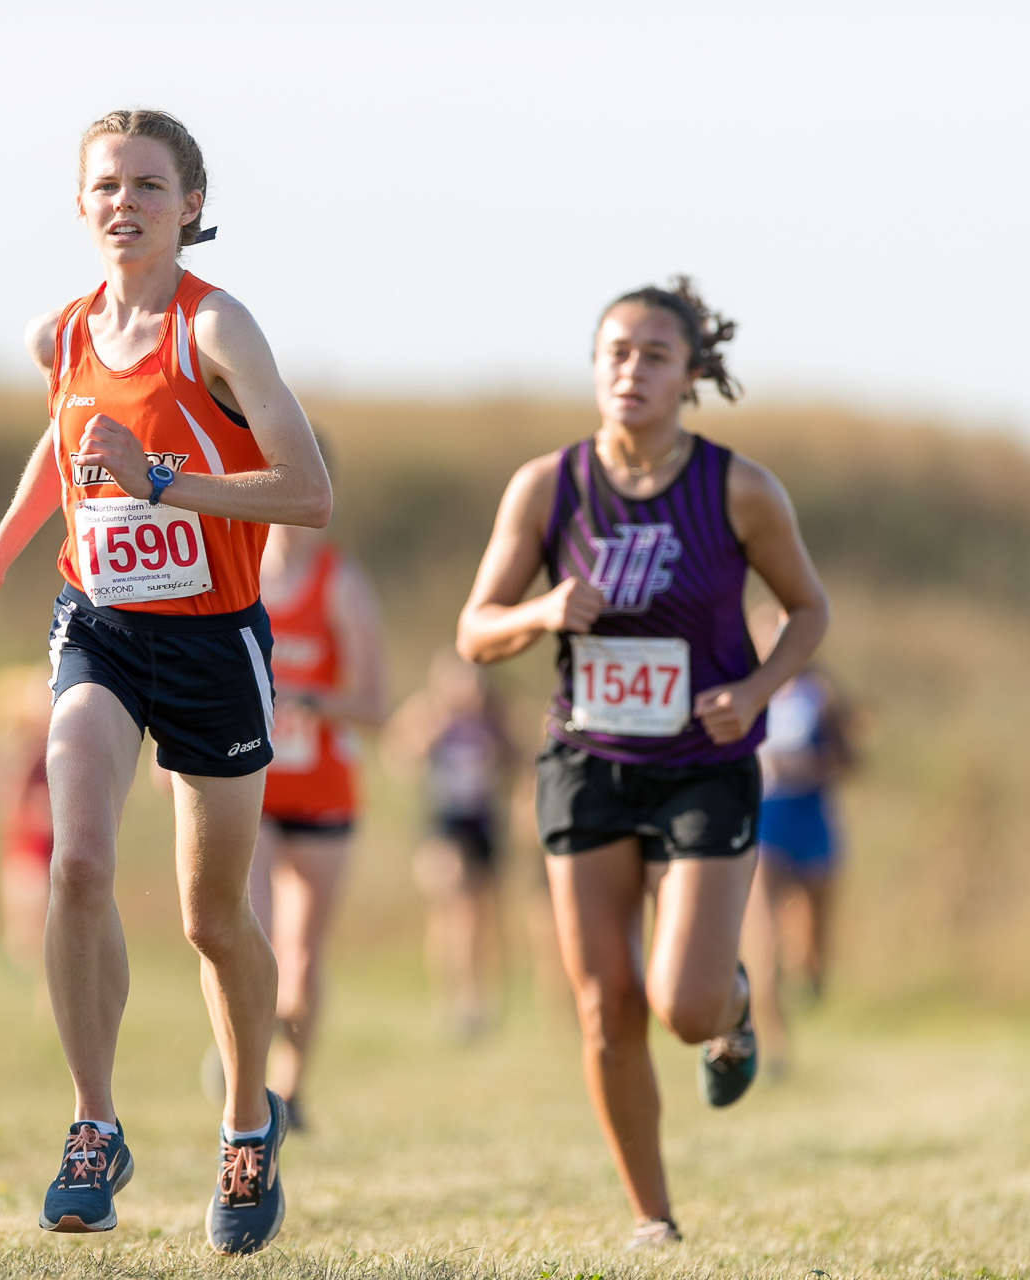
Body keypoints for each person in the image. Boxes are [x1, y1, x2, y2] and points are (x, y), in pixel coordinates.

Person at [0, 109, 330, 1255]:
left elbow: (307, 493)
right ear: (79, 205)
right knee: (80, 858)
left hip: (213, 642)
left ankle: (248, 1119)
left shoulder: (219, 331)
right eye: (105, 184)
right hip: (98, 622)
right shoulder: (58, 336)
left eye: (149, 184)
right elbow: (63, 448)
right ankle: (93, 1122)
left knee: (214, 920)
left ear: (190, 204)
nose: (125, 202)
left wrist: (165, 483)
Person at [455, 278, 830, 1246]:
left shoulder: (739, 487)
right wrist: (542, 611)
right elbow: (475, 629)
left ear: (691, 373)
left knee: (682, 1002)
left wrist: (754, 691)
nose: (631, 369)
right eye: (615, 350)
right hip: (586, 760)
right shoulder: (546, 486)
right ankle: (652, 1218)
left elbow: (809, 611)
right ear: (594, 366)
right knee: (602, 1003)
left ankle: (734, 1005)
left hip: (706, 762)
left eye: (655, 354)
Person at [247, 517, 387, 1129]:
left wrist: (306, 701)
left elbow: (376, 705)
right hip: (244, 786)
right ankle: (243, 1059)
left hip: (321, 791)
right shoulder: (238, 567)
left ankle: (290, 1091)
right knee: (245, 937)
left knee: (301, 959)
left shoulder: (341, 583)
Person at [739, 605, 859, 1074]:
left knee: (812, 944)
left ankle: (808, 973)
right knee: (761, 936)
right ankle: (775, 1044)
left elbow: (848, 761)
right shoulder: (741, 688)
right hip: (762, 820)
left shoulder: (819, 694)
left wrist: (808, 768)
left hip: (811, 818)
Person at [383, 651, 516, 1039]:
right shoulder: (427, 714)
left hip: (483, 824)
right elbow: (398, 759)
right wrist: (427, 737)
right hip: (440, 823)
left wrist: (500, 743)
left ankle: (480, 998)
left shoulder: (494, 716)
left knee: (481, 914)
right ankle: (453, 999)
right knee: (452, 899)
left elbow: (521, 759)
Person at [0, 664, 55, 987]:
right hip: (26, 851)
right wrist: (39, 813)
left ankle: (46, 1002)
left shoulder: (70, 743)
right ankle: (21, 970)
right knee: (31, 935)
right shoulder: (18, 747)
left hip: (55, 850)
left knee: (51, 929)